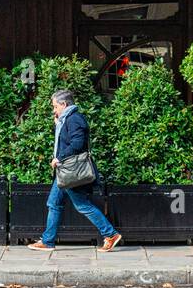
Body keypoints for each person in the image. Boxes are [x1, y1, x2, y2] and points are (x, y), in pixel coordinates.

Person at [28, 89, 123, 253]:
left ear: (64, 104)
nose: (54, 110)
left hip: (71, 172)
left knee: (82, 205)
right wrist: (58, 125)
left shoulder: (75, 120)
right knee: (54, 203)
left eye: (55, 106)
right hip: (64, 172)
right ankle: (48, 241)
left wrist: (60, 158)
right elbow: (66, 140)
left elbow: (77, 144)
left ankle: (110, 234)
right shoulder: (65, 120)